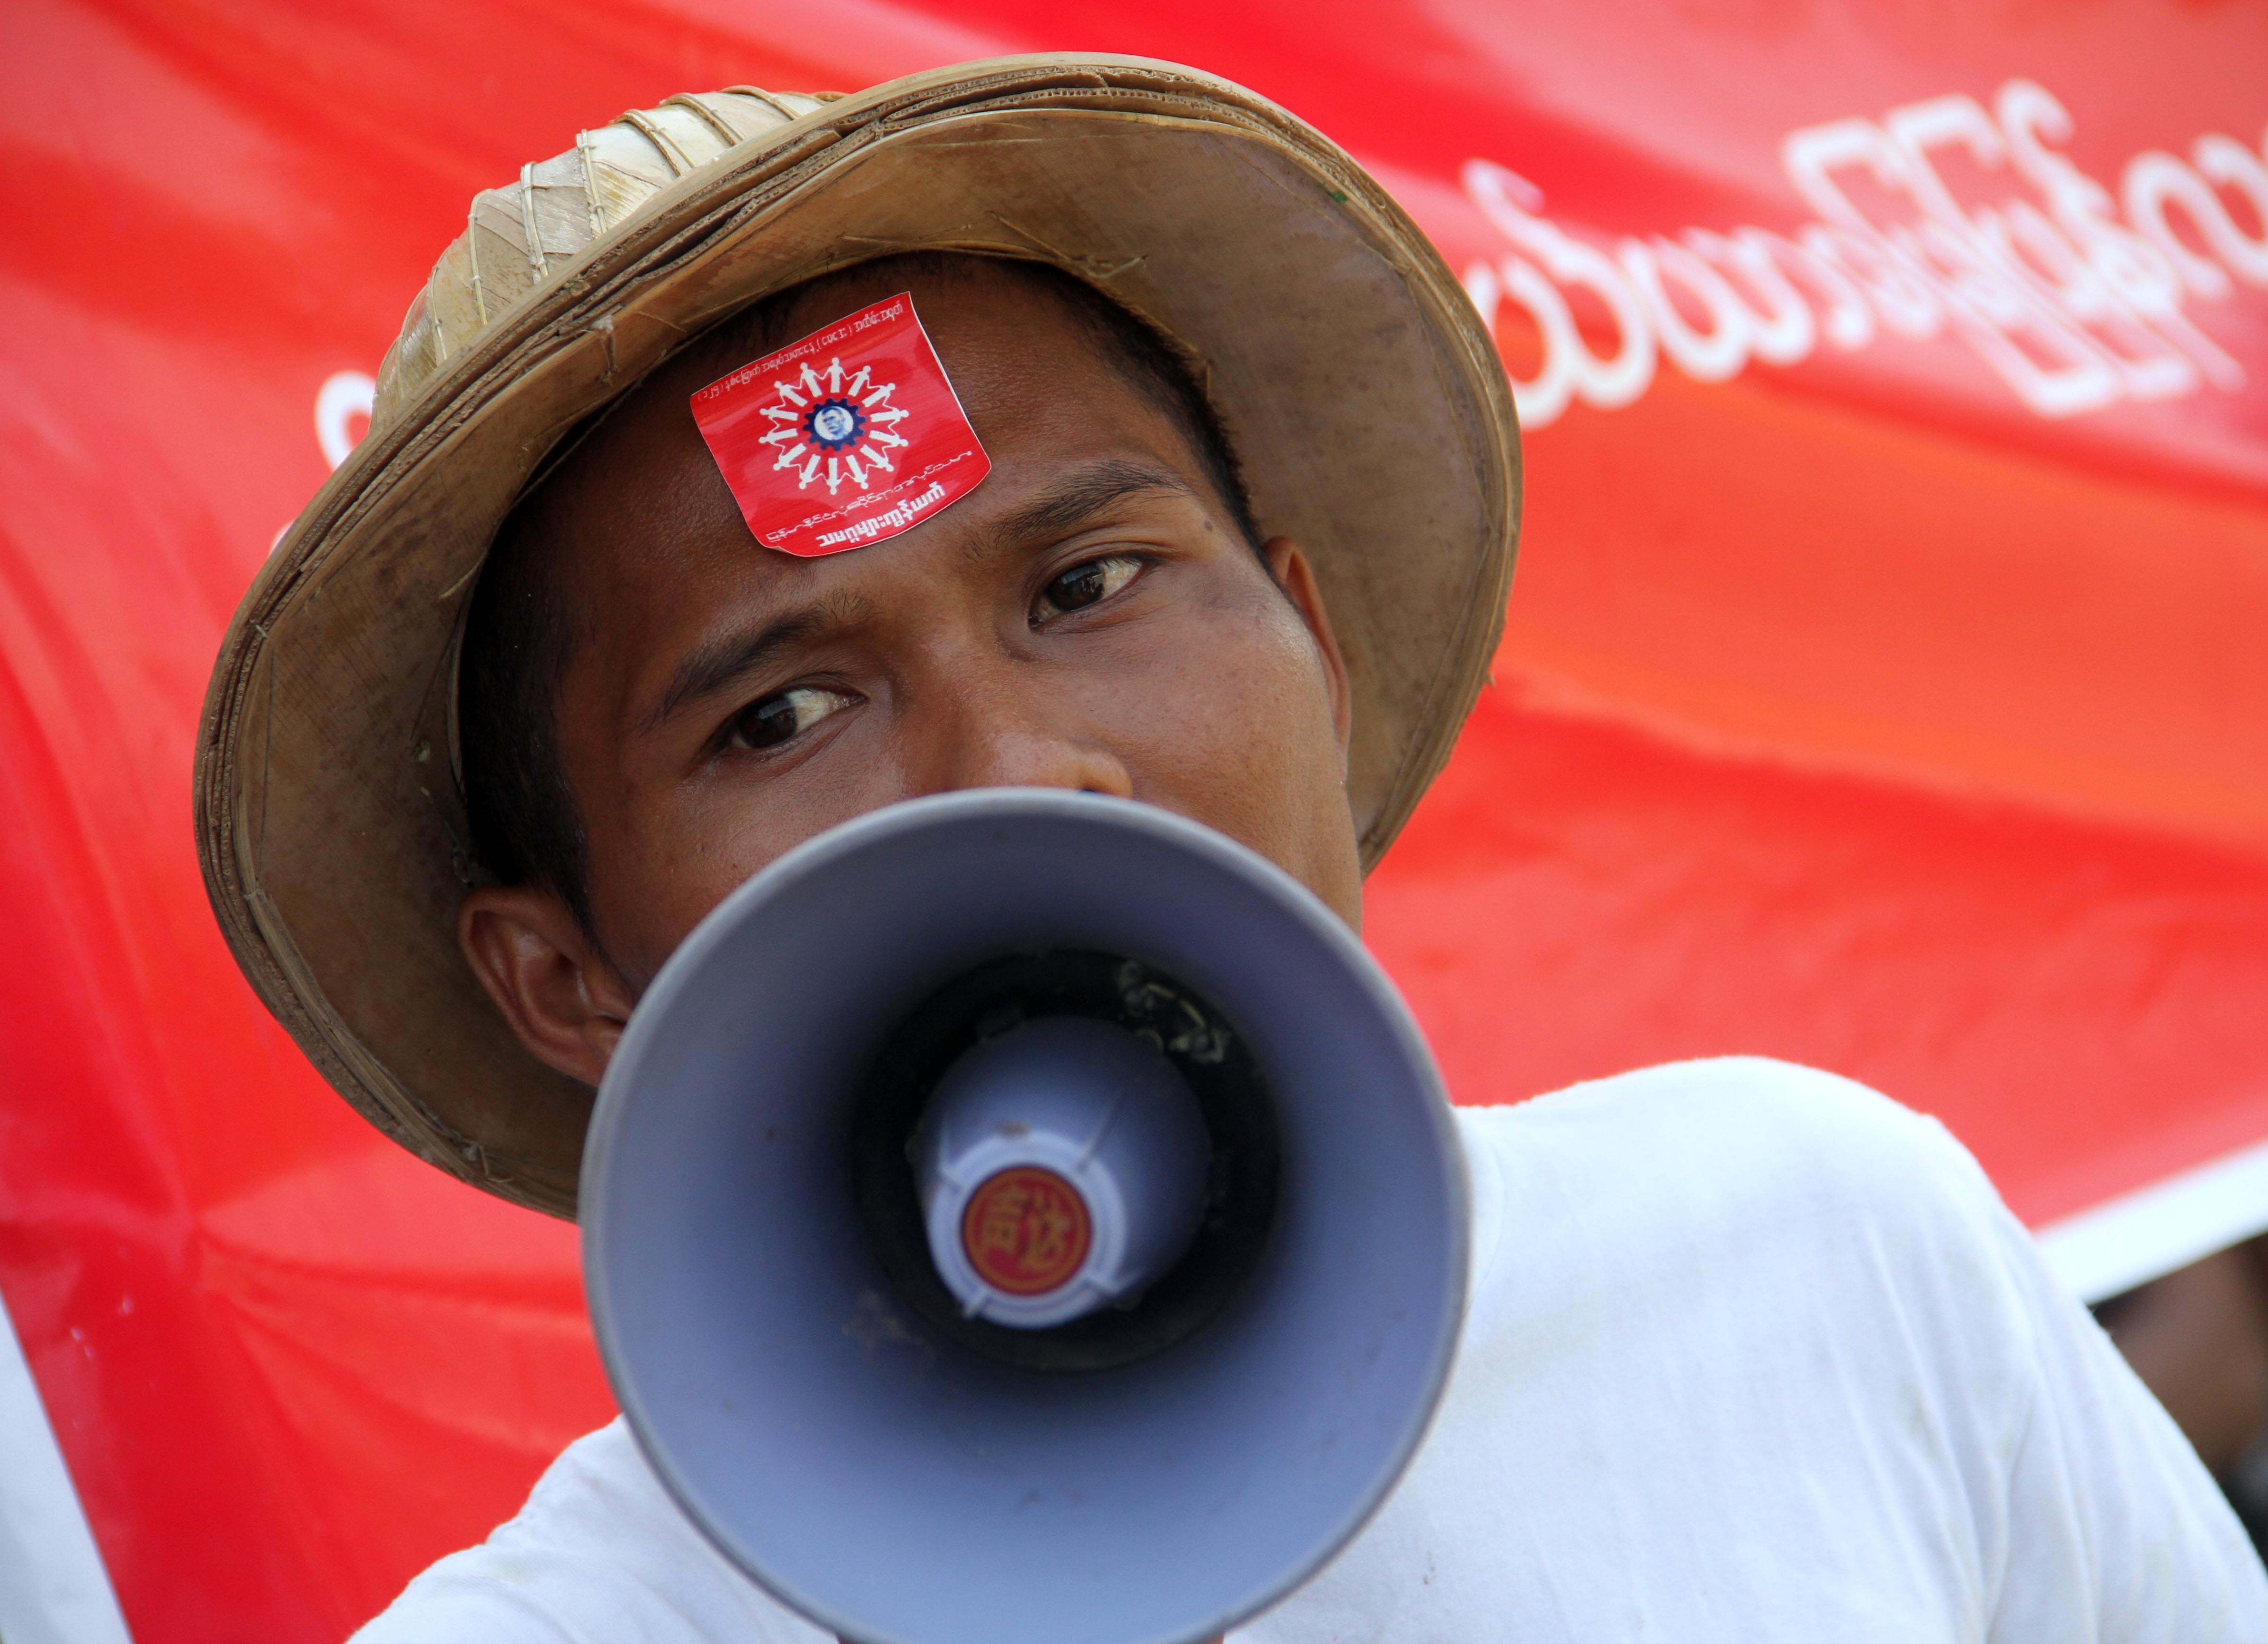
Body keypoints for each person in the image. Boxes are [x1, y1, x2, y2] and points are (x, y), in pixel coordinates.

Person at [194, 59, 2265, 1643]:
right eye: (778, 715)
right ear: (567, 981)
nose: (1015, 774)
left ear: (1317, 646)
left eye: (1092, 583)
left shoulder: (1821, 1257)